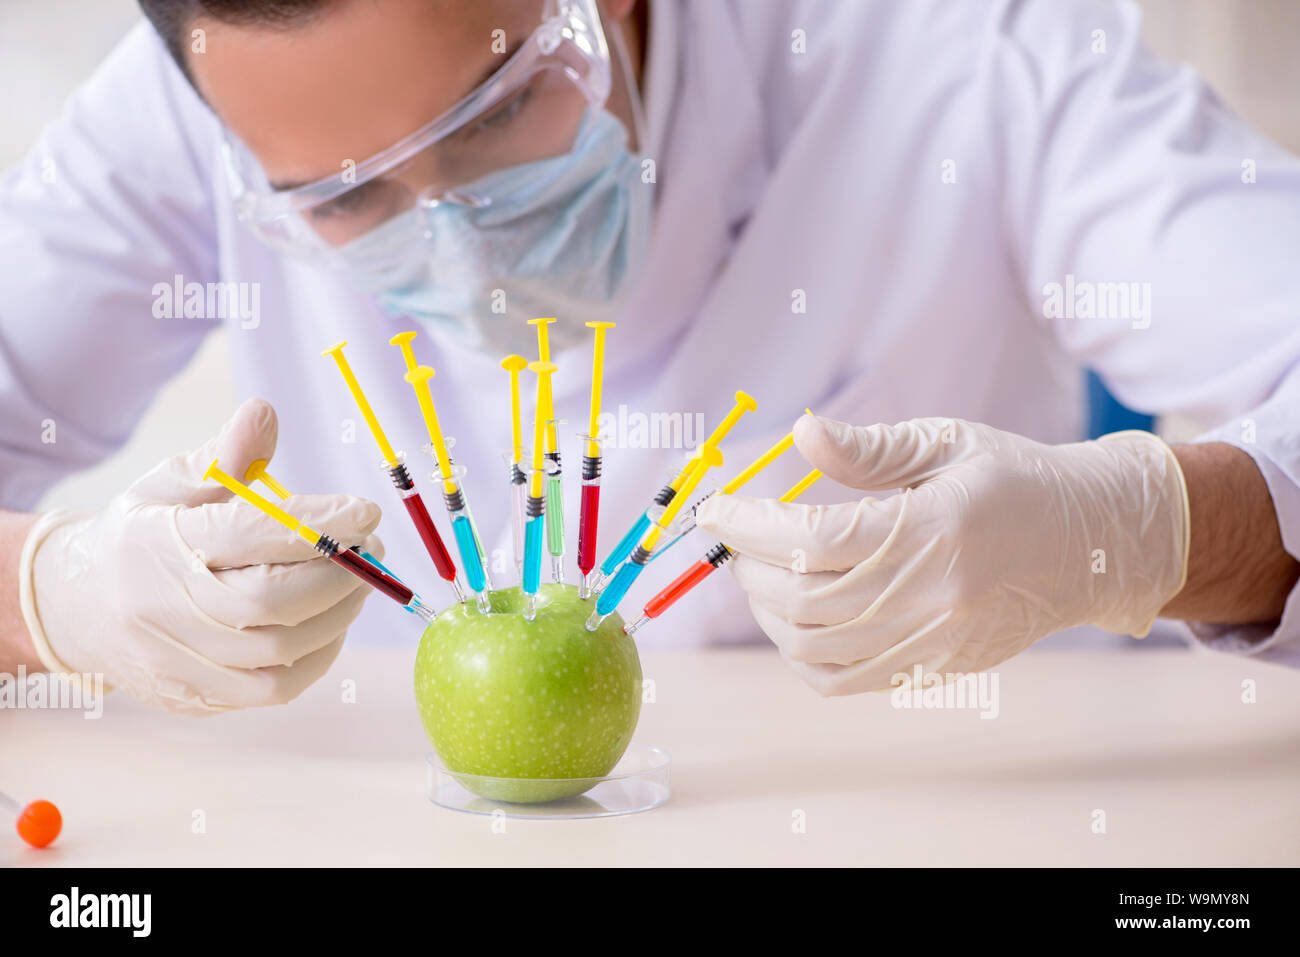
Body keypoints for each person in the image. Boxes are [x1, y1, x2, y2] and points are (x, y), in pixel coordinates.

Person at [0, 0, 1296, 712]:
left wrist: (1146, 536)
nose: (462, 254)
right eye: (345, 200)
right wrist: (55, 595)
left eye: (500, 108)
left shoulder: (967, 57)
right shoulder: (194, 103)